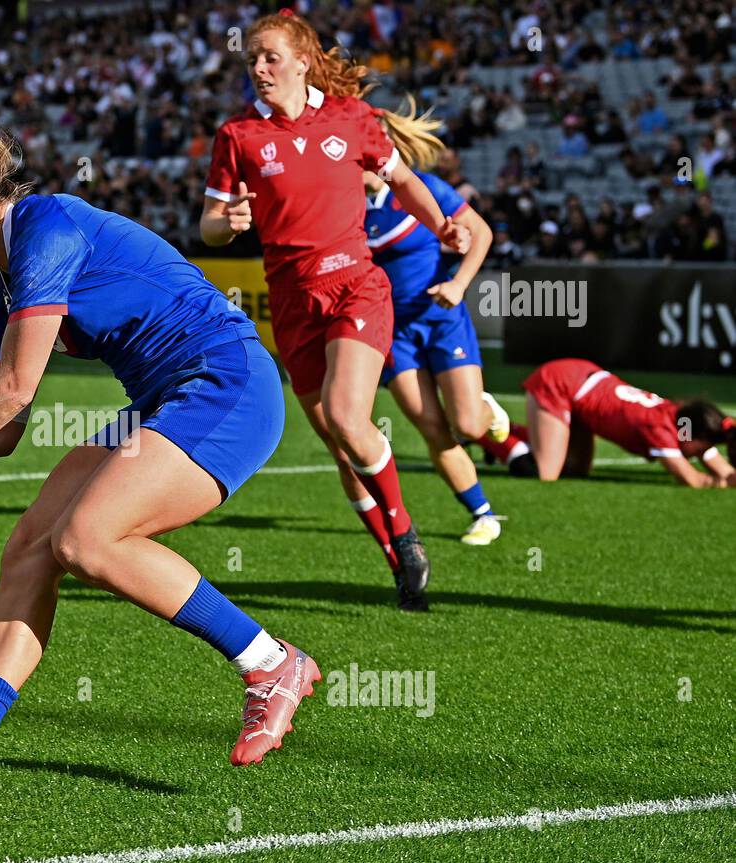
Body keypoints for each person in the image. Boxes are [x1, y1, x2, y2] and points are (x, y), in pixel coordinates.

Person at [0, 119, 320, 799]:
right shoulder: (12, 286)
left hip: (225, 384)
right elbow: (1, 432)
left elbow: (11, 391)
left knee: (87, 537)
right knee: (31, 546)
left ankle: (271, 663)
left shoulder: (48, 227)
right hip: (164, 396)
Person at [199, 10, 471, 610]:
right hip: (292, 304)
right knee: (338, 443)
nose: (260, 68)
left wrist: (443, 225)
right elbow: (209, 223)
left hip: (355, 287)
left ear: (302, 60)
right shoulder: (238, 135)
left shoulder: (354, 119)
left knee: (351, 419)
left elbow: (402, 183)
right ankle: (398, 558)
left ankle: (404, 536)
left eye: (270, 57)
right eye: (252, 60)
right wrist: (227, 224)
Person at [362, 98, 510, 545]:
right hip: (392, 332)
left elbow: (480, 232)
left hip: (441, 317)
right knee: (432, 428)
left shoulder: (421, 188)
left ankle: (486, 409)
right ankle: (483, 513)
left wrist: (460, 284)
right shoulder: (344, 205)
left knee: (467, 425)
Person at [478, 359, 735, 487]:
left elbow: (722, 469)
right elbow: (691, 478)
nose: (700, 455)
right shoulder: (658, 427)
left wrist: (726, 476)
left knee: (575, 469)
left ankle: (501, 432)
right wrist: (718, 482)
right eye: (700, 450)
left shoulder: (682, 421)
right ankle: (477, 427)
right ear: (691, 435)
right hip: (561, 383)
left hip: (582, 386)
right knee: (545, 473)